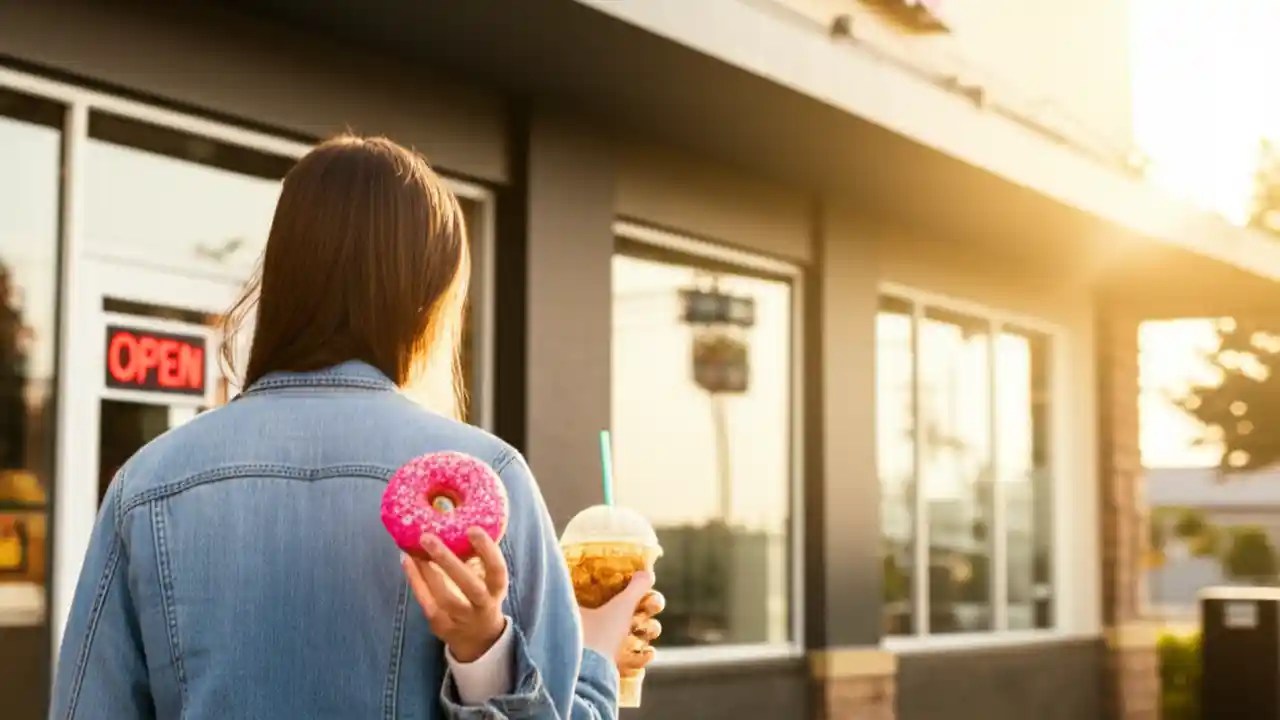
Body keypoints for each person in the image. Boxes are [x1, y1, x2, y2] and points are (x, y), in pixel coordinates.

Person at [50, 135, 662, 719]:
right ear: (430, 297)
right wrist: (592, 655)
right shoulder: (490, 477)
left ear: (283, 277)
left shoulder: (148, 487)